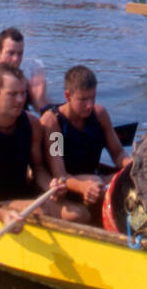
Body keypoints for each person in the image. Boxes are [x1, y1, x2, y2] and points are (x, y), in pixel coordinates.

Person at [0, 63, 76, 226]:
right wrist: (1, 215)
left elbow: (39, 169)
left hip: (22, 195)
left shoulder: (33, 123)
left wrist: (50, 186)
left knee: (79, 214)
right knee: (58, 214)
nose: (20, 100)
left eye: (23, 93)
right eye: (13, 94)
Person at [38, 65, 132, 223]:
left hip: (95, 179)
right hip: (65, 186)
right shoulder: (53, 124)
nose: (89, 105)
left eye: (92, 98)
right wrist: (83, 187)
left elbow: (117, 154)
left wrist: (131, 166)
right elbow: (59, 174)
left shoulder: (100, 115)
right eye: (83, 100)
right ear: (67, 96)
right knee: (96, 183)